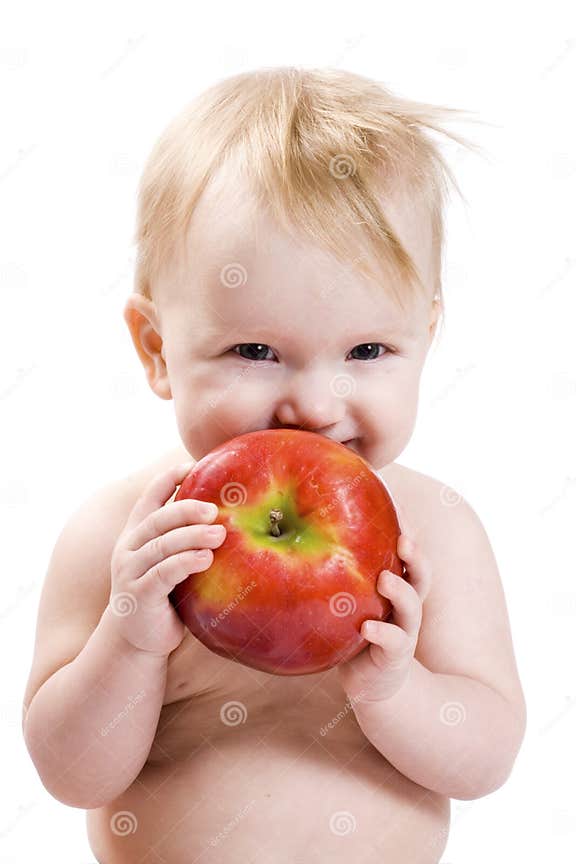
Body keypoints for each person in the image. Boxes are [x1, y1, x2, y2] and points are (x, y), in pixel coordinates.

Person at [22, 66, 526, 863]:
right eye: (255, 351)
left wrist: (396, 691)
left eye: (368, 349)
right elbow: (72, 775)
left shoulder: (436, 535)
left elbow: (485, 760)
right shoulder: (127, 542)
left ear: (428, 333)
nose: (317, 407)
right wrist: (129, 641)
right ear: (157, 350)